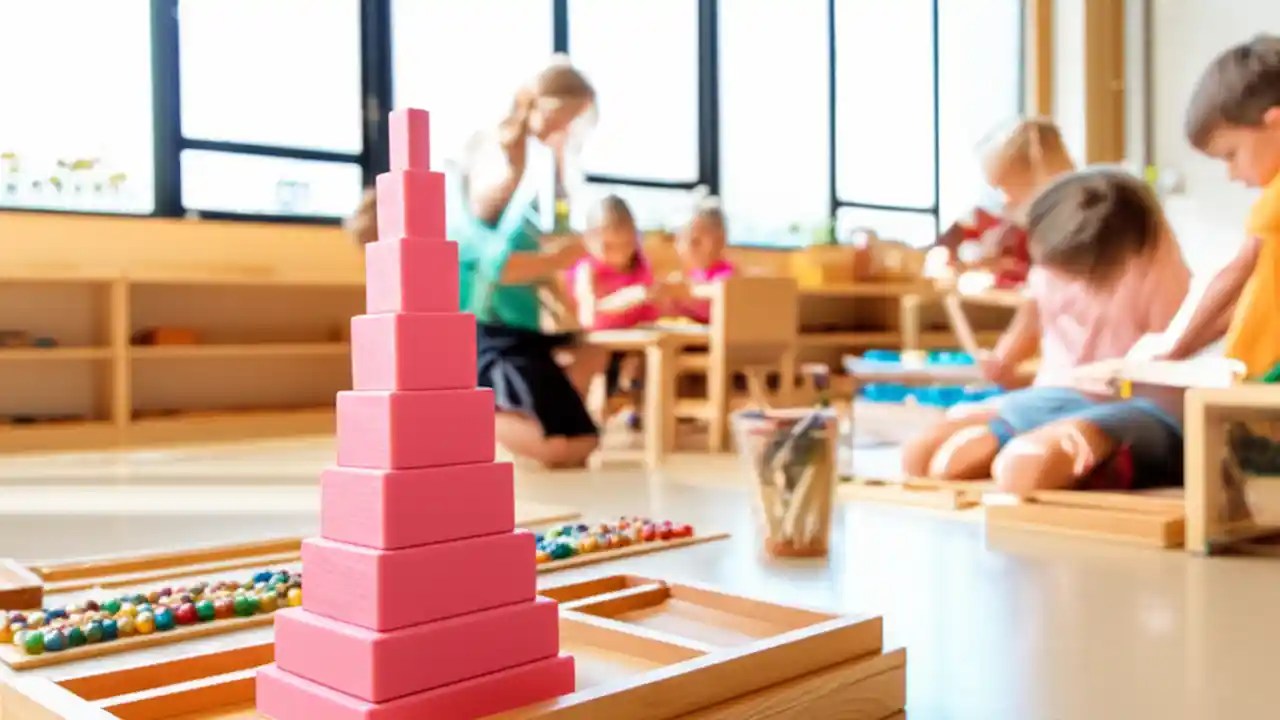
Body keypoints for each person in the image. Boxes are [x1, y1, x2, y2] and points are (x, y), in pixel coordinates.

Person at [348, 56, 604, 469]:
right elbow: (489, 258)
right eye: (563, 120)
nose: (565, 133)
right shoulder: (494, 156)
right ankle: (460, 409)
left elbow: (540, 235)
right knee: (564, 446)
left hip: (522, 324)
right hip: (490, 328)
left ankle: (512, 405)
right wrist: (555, 256)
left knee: (581, 441)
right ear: (545, 107)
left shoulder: (542, 162)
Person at [901, 168, 1190, 494]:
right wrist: (1003, 360)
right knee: (919, 453)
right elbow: (1031, 318)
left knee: (1023, 467)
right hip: (1058, 394)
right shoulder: (1052, 256)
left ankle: (1037, 445)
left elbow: (1174, 361)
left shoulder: (1152, 260)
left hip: (1137, 404)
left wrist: (1126, 375)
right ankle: (1010, 436)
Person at [1156, 34, 1280, 380]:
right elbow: (1244, 297)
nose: (1232, 174)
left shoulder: (1274, 202)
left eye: (1231, 155)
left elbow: (1235, 275)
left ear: (1275, 123)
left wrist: (1175, 349)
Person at [924, 118, 1076, 292]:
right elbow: (942, 249)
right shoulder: (988, 219)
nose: (1006, 199)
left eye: (1009, 187)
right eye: (1001, 188)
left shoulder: (1063, 228)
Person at [566, 194, 656, 406]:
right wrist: (625, 299)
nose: (618, 255)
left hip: (635, 344)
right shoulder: (587, 270)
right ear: (588, 240)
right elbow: (587, 317)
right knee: (594, 359)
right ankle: (593, 416)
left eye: (625, 244)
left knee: (647, 359)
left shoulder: (640, 266)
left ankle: (641, 412)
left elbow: (652, 312)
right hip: (597, 343)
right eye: (608, 246)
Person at [664, 198, 736, 324]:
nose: (690, 248)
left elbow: (717, 304)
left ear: (721, 240)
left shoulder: (728, 276)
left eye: (696, 241)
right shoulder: (694, 276)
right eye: (682, 241)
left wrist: (686, 294)